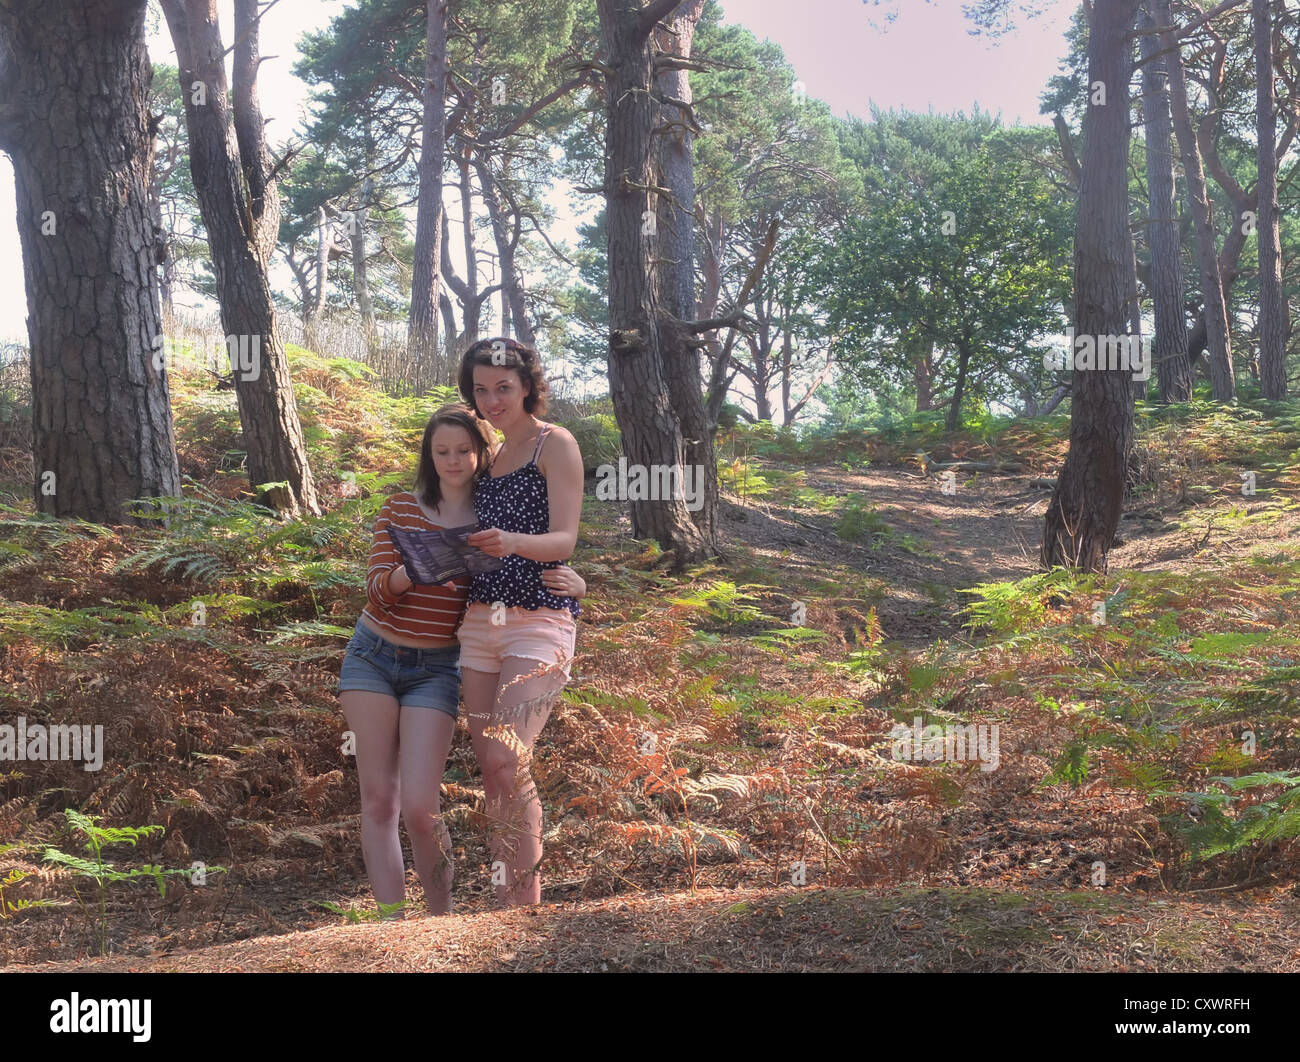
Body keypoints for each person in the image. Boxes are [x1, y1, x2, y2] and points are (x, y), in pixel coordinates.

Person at [337, 402, 587, 917]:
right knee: (379, 797)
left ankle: (440, 920)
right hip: (373, 655)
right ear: (429, 457)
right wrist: (415, 571)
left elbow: (533, 556)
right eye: (441, 451)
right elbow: (376, 591)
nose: (452, 460)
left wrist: (578, 583)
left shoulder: (488, 516)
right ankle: (391, 922)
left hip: (437, 667)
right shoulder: (400, 509)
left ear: (481, 453)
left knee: (421, 807)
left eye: (463, 450)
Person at [455, 337, 585, 907]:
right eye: (481, 390)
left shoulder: (552, 444)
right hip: (480, 621)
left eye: (503, 388)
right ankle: (506, 899)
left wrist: (512, 544)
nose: (493, 400)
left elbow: (565, 538)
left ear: (528, 386)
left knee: (510, 754)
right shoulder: (486, 455)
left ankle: (526, 909)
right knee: (491, 768)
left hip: (540, 619)